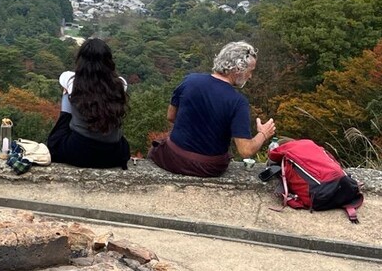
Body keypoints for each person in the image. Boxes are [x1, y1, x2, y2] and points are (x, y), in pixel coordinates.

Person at [150, 41, 276, 178]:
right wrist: (263, 133)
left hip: (172, 159)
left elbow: (171, 116)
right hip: (207, 168)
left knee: (160, 144)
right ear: (238, 69)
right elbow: (245, 150)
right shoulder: (238, 102)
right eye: (250, 71)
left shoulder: (189, 81)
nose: (250, 76)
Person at [46, 38, 130, 169]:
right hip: (113, 154)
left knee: (67, 92)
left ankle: (64, 127)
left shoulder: (73, 81)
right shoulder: (121, 84)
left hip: (79, 150)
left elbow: (63, 77)